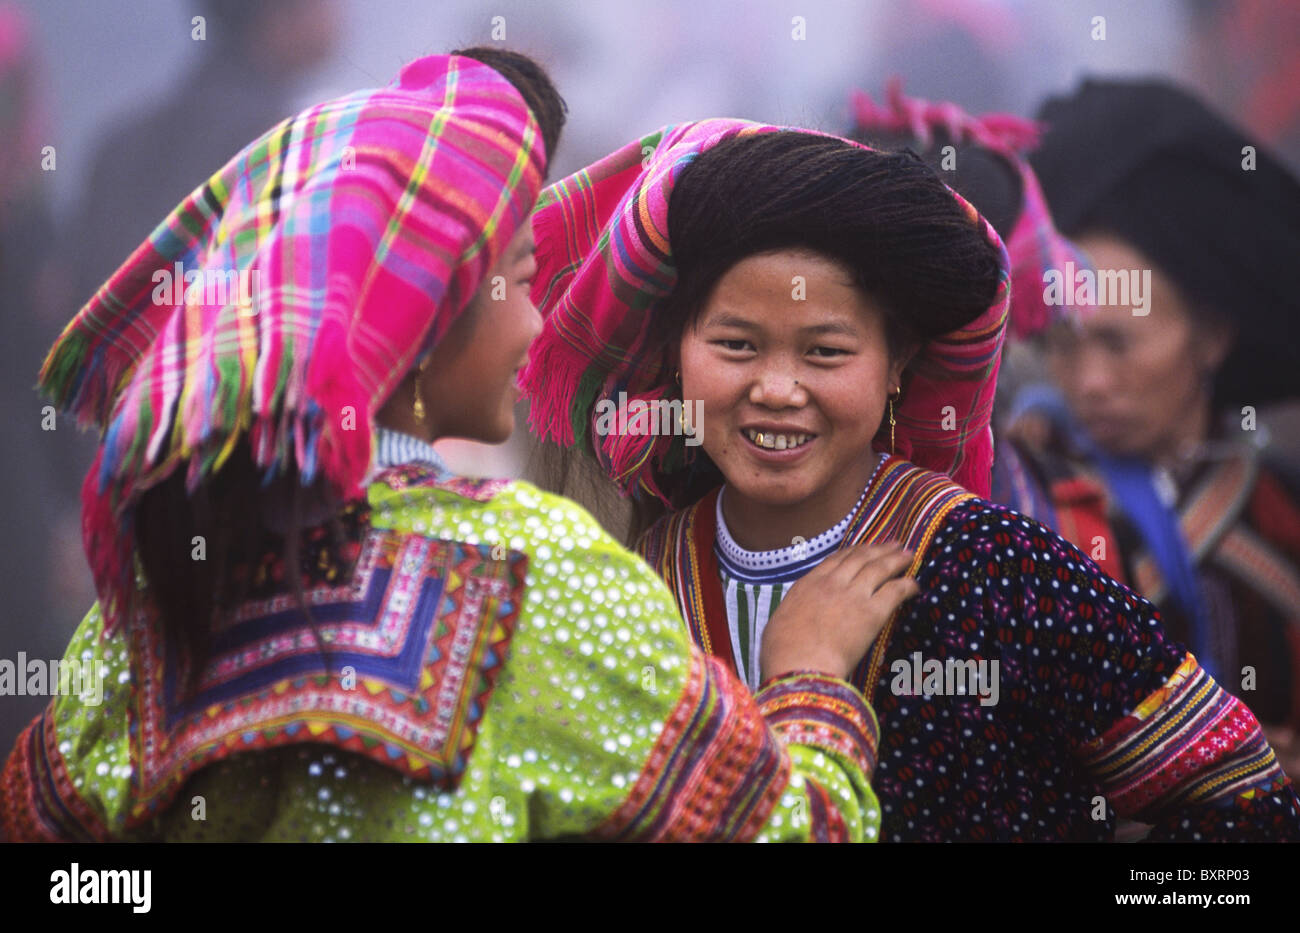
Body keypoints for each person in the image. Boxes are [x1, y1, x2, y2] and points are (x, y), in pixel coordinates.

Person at [0, 50, 893, 843]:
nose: (540, 322)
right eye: (515, 281)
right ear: (417, 321)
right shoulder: (535, 577)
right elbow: (799, 829)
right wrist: (809, 677)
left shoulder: (151, 598)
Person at [521, 118, 1300, 841]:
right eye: (735, 345)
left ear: (897, 366)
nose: (778, 389)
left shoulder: (997, 571)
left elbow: (1246, 801)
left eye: (826, 352)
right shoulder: (638, 585)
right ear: (676, 353)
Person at [1001, 80, 1300, 774]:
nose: (1090, 382)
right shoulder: (1016, 504)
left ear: (1212, 337)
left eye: (1120, 344)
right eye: (1067, 346)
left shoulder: (1283, 507)